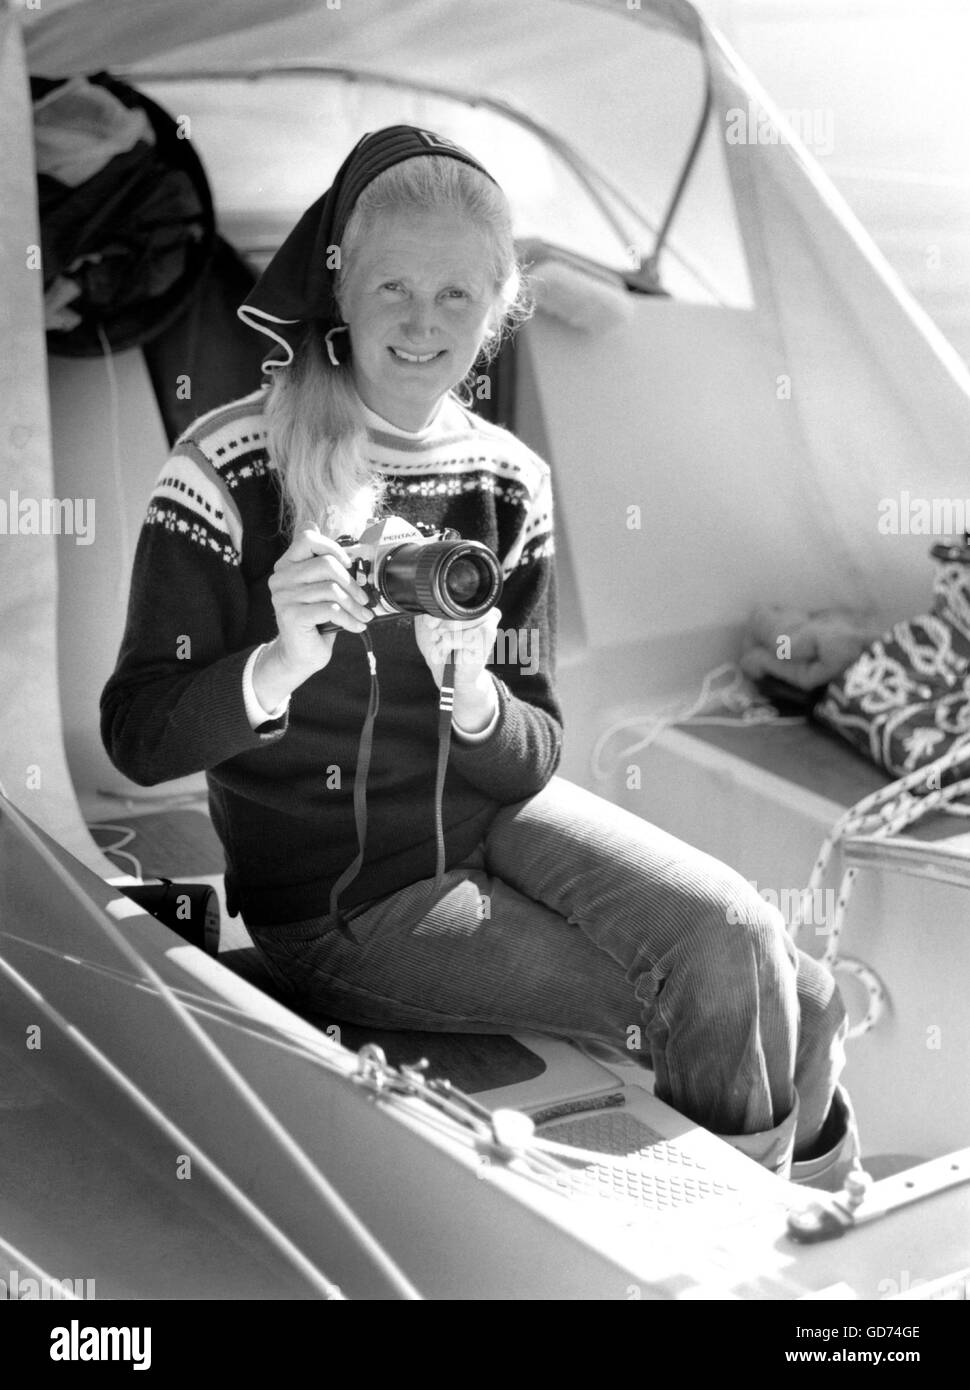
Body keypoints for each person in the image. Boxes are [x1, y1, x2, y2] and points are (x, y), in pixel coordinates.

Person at [101, 124, 858, 1187]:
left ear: (498, 305)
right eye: (394, 288)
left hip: (491, 815)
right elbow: (137, 735)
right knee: (756, 993)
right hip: (339, 902)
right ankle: (765, 1253)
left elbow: (535, 743)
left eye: (457, 295)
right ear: (340, 286)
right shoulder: (227, 462)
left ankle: (815, 1250)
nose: (422, 323)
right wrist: (274, 664)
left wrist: (469, 693)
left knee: (769, 961)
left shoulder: (506, 478)